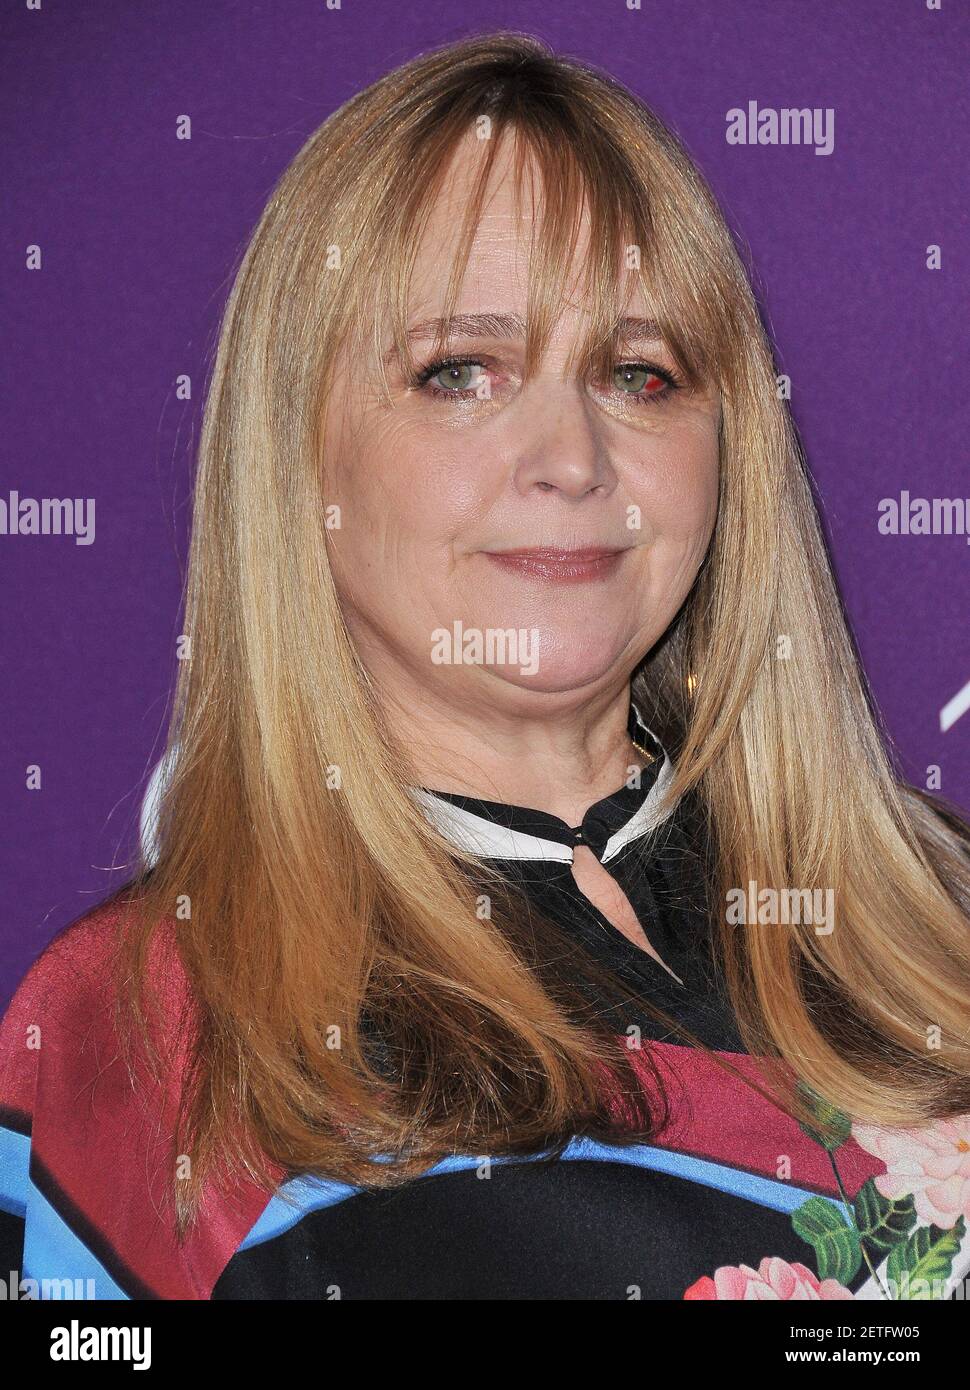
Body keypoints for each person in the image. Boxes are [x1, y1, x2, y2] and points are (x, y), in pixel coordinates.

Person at [2, 32, 969, 1302]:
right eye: (459, 372)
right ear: (298, 454)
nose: (570, 456)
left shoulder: (934, 913)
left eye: (639, 373)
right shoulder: (141, 1025)